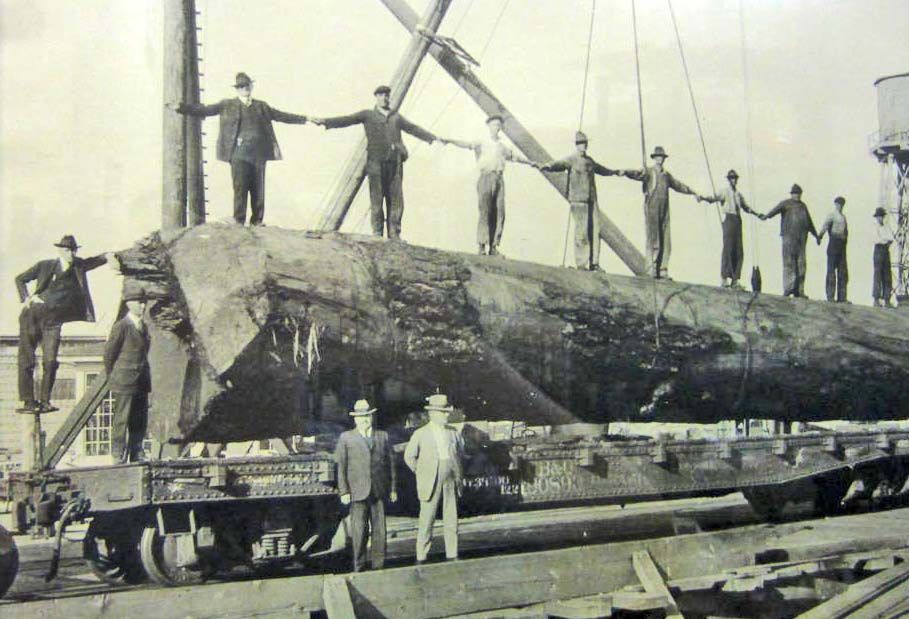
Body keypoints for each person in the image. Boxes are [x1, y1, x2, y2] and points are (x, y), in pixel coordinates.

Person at [171, 72, 311, 225]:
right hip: (238, 153)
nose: (244, 88)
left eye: (246, 85)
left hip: (258, 153)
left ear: (251, 86)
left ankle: (257, 221)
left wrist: (305, 119)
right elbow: (205, 110)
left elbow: (282, 116)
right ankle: (238, 219)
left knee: (258, 188)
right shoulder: (227, 105)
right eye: (240, 86)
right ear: (237, 89)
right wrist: (181, 108)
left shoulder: (261, 106)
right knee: (240, 186)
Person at [313, 85, 438, 239]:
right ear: (376, 98)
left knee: (396, 198)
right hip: (375, 162)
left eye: (386, 95)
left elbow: (413, 128)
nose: (384, 98)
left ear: (389, 97)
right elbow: (347, 119)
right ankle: (377, 233)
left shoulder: (396, 117)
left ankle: (394, 234)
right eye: (381, 95)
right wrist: (325, 121)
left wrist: (433, 137)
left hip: (394, 163)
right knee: (377, 197)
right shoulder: (368, 115)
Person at [15, 235, 115, 413]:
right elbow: (20, 279)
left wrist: (109, 255)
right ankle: (28, 401)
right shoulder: (45, 265)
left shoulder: (78, 266)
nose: (71, 253)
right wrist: (27, 298)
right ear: (60, 250)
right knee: (27, 360)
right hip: (32, 316)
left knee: (51, 361)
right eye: (67, 250)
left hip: (54, 322)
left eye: (73, 250)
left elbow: (95, 261)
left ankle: (45, 400)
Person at [442, 115, 538, 256]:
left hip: (499, 179)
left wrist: (531, 163)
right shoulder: (482, 142)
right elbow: (466, 144)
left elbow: (515, 157)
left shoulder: (502, 146)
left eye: (499, 125)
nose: (497, 128)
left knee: (499, 212)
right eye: (494, 125)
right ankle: (482, 245)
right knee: (485, 211)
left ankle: (493, 247)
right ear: (488, 126)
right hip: (486, 177)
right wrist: (450, 141)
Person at [540, 131, 621, 270]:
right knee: (581, 232)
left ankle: (594, 263)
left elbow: (601, 169)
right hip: (578, 200)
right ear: (576, 146)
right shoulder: (571, 159)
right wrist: (547, 165)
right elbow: (558, 164)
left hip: (591, 200)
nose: (582, 146)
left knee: (594, 231)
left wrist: (614, 172)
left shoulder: (590, 161)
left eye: (584, 144)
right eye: (580, 144)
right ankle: (582, 263)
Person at [618, 146, 702, 279]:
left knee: (666, 240)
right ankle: (651, 268)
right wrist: (626, 172)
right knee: (653, 239)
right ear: (654, 158)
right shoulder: (649, 172)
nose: (660, 159)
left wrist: (692, 192)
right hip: (652, 208)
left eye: (662, 157)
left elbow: (678, 185)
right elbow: (637, 174)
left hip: (664, 210)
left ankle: (663, 269)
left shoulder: (666, 175)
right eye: (658, 157)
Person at [333, 399, 397, 572]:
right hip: (357, 492)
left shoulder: (382, 436)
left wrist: (392, 489)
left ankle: (379, 565)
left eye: (367, 416)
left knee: (380, 530)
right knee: (359, 531)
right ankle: (358, 565)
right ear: (355, 419)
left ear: (371, 417)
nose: (364, 419)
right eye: (361, 417)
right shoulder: (346, 438)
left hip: (378, 490)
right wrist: (344, 491)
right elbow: (341, 467)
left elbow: (391, 465)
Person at [404, 393, 464, 564]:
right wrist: (421, 472)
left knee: (451, 518)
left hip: (450, 479)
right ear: (433, 414)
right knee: (427, 519)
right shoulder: (420, 434)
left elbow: (460, 452)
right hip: (430, 480)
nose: (446, 415)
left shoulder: (453, 432)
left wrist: (456, 472)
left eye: (446, 412)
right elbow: (409, 457)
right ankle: (421, 556)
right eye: (442, 412)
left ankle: (452, 554)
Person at [104, 290, 151, 463]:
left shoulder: (143, 326)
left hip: (141, 381)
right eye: (139, 302)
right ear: (130, 304)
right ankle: (117, 454)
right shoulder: (122, 326)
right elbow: (109, 355)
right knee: (121, 419)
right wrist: (114, 375)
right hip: (124, 380)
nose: (143, 306)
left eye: (144, 302)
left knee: (139, 419)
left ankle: (136, 451)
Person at [698, 170, 762, 288]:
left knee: (738, 250)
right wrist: (703, 198)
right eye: (732, 178)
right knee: (728, 248)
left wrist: (757, 214)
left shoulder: (738, 194)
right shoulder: (725, 192)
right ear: (729, 180)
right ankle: (724, 278)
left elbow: (746, 208)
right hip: (729, 220)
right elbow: (714, 198)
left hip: (738, 221)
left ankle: (735, 280)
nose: (734, 180)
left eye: (735, 178)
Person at [761, 184, 820, 298]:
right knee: (789, 263)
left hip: (801, 240)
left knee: (801, 264)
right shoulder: (786, 204)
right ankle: (788, 289)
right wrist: (766, 216)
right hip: (788, 238)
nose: (797, 195)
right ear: (791, 194)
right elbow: (774, 211)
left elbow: (809, 223)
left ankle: (799, 291)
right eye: (795, 193)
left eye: (799, 193)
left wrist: (816, 235)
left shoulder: (803, 206)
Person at [817, 196, 849, 302]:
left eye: (841, 204)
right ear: (835, 204)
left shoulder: (843, 217)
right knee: (831, 270)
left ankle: (842, 297)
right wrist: (820, 236)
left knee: (842, 271)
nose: (840, 206)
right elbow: (825, 226)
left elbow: (846, 232)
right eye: (838, 204)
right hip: (833, 244)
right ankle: (830, 296)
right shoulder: (832, 215)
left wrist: (845, 241)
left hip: (842, 245)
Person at [872, 207, 895, 308]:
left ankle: (887, 300)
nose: (880, 218)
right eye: (879, 216)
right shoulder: (874, 227)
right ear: (876, 217)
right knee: (878, 275)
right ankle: (876, 299)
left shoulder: (886, 227)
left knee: (887, 275)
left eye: (882, 216)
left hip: (886, 251)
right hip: (878, 250)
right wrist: (885, 240)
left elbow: (891, 238)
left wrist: (885, 240)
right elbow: (877, 240)